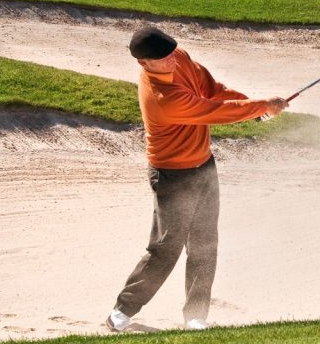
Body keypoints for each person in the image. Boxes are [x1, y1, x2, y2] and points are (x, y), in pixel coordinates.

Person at [105, 26, 287, 332]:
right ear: (144, 63)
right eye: (162, 59)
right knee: (166, 247)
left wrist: (254, 109)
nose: (171, 60)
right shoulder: (162, 97)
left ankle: (196, 316)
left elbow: (212, 90)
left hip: (204, 167)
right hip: (171, 175)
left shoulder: (178, 57)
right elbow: (212, 110)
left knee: (205, 244)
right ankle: (122, 310)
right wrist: (260, 106)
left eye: (171, 52)